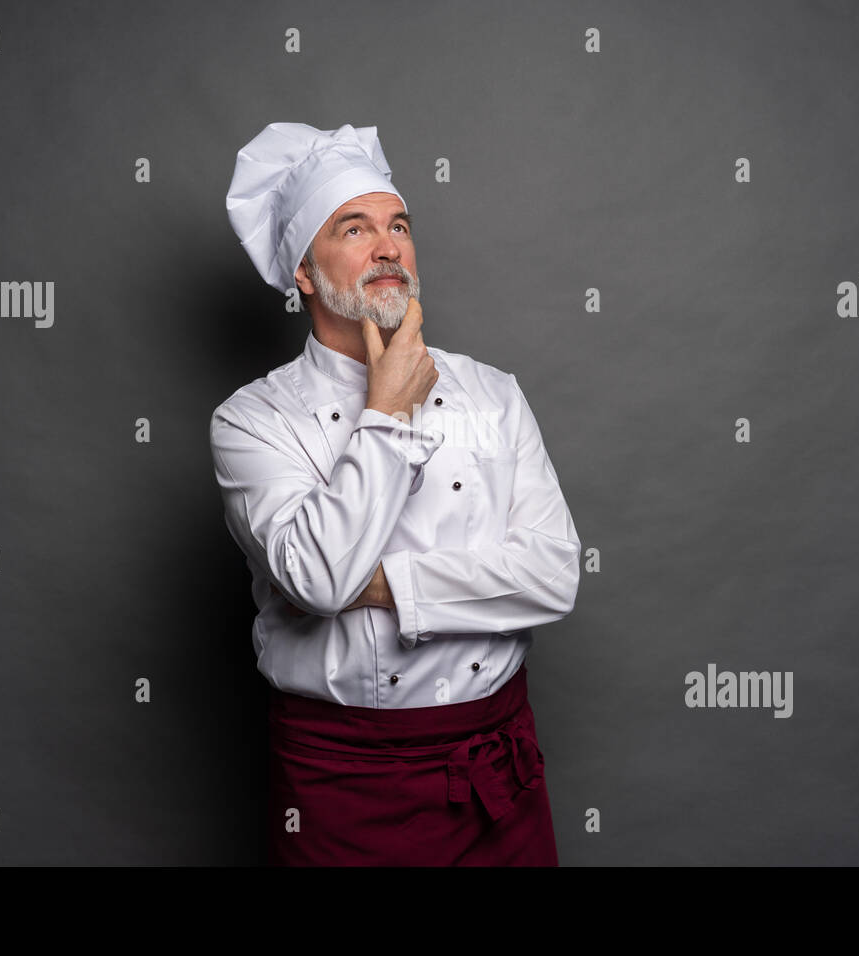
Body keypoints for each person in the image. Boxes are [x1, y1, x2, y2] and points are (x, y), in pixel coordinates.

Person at [211, 122, 581, 865]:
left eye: (399, 226)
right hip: (343, 776)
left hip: (494, 766)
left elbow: (554, 576)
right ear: (306, 274)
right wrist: (388, 413)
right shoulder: (252, 420)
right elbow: (318, 580)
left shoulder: (493, 393)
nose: (389, 247)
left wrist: (382, 585)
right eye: (356, 227)